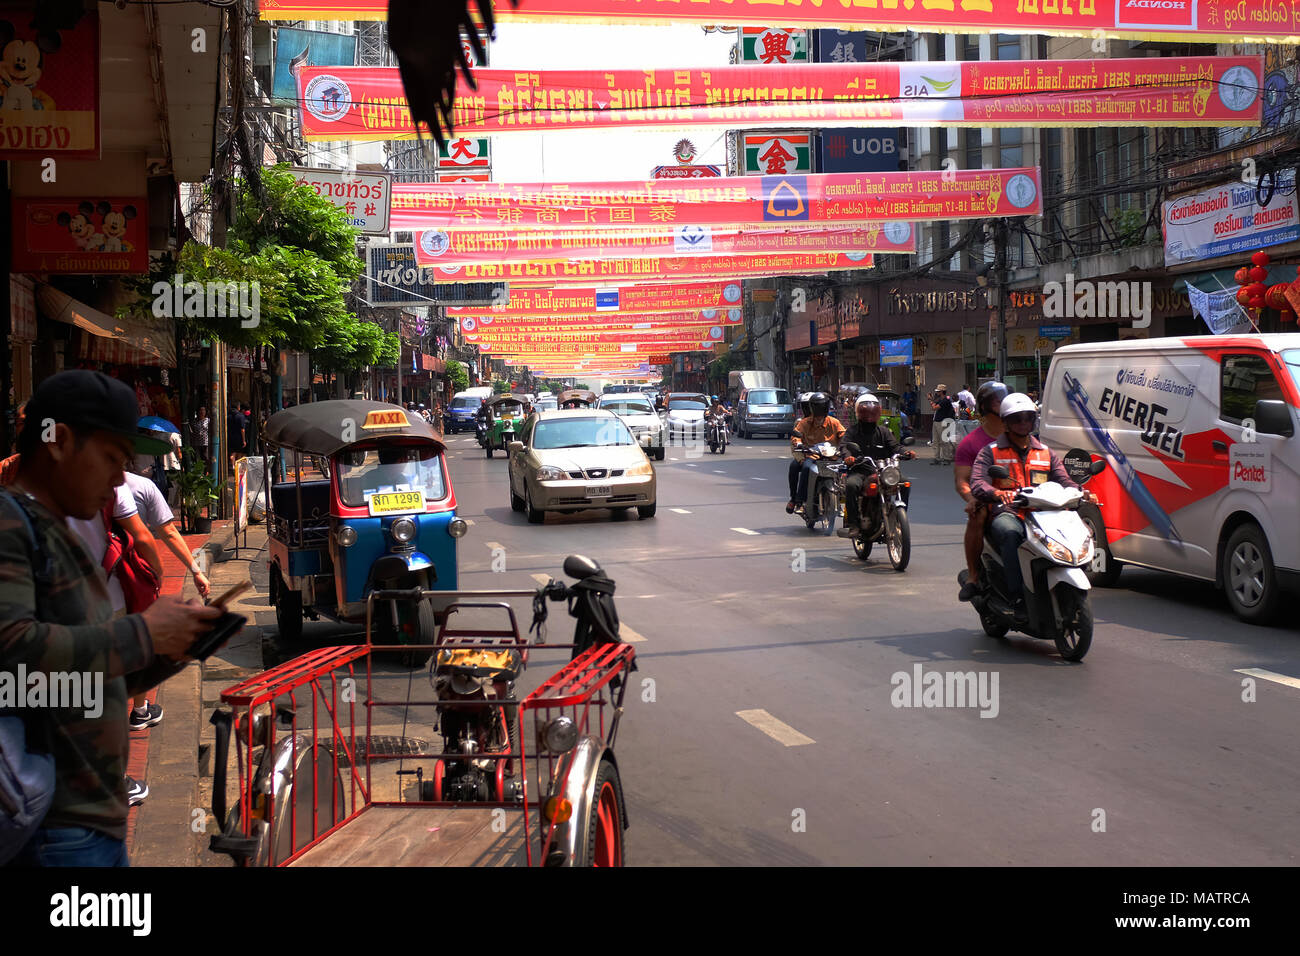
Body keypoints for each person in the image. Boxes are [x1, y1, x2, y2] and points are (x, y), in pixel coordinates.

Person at [0, 370, 223, 866]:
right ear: (57, 441)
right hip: (52, 828)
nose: (121, 478)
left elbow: (90, 677)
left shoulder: (63, 534)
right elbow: (14, 651)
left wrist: (172, 648)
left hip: (92, 820)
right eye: (109, 458)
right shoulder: (10, 523)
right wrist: (142, 632)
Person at [969, 393, 1094, 623]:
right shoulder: (991, 451)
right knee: (1009, 533)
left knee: (1079, 532)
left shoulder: (1046, 452)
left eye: (1028, 418)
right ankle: (1017, 597)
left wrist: (1080, 491)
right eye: (1017, 419)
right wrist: (996, 493)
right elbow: (977, 482)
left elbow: (1064, 480)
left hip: (1046, 515)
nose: (1023, 423)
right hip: (1010, 513)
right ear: (1006, 422)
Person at [123, 470, 213, 736]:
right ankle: (139, 710)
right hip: (136, 577)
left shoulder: (70, 483)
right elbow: (167, 532)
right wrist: (193, 570)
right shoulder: (140, 486)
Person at [954, 381, 1009, 601]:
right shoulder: (971, 443)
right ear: (985, 406)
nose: (1002, 403)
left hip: (1021, 498)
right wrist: (971, 498)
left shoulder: (1025, 437)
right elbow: (962, 481)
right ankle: (974, 577)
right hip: (988, 499)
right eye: (997, 399)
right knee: (978, 513)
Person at [837, 393, 914, 538]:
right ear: (858, 412)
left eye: (872, 412)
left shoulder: (883, 432)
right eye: (866, 412)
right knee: (852, 486)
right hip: (861, 470)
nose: (869, 415)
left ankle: (899, 517)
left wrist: (906, 452)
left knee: (905, 483)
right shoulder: (852, 431)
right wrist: (848, 457)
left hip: (883, 470)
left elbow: (895, 446)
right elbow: (844, 446)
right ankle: (853, 524)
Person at [787, 392, 845, 514]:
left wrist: (847, 441)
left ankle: (842, 502)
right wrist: (798, 443)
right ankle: (798, 501)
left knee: (845, 471)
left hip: (830, 457)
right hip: (812, 456)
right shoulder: (804, 423)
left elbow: (843, 434)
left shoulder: (834, 422)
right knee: (804, 468)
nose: (819, 419)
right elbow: (796, 437)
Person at [930, 385, 957, 466]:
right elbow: (934, 407)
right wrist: (932, 400)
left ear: (942, 392)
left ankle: (947, 458)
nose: (937, 393)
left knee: (943, 440)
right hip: (936, 421)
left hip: (942, 422)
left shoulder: (945, 401)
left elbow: (934, 408)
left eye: (938, 391)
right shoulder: (940, 400)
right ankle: (937, 458)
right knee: (935, 441)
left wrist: (931, 401)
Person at [227, 404, 247, 472]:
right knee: (239, 453)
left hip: (230, 437)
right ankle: (237, 467)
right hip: (239, 437)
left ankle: (232, 466)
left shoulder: (228, 416)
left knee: (232, 453)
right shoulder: (241, 416)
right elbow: (242, 429)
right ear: (238, 407)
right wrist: (244, 440)